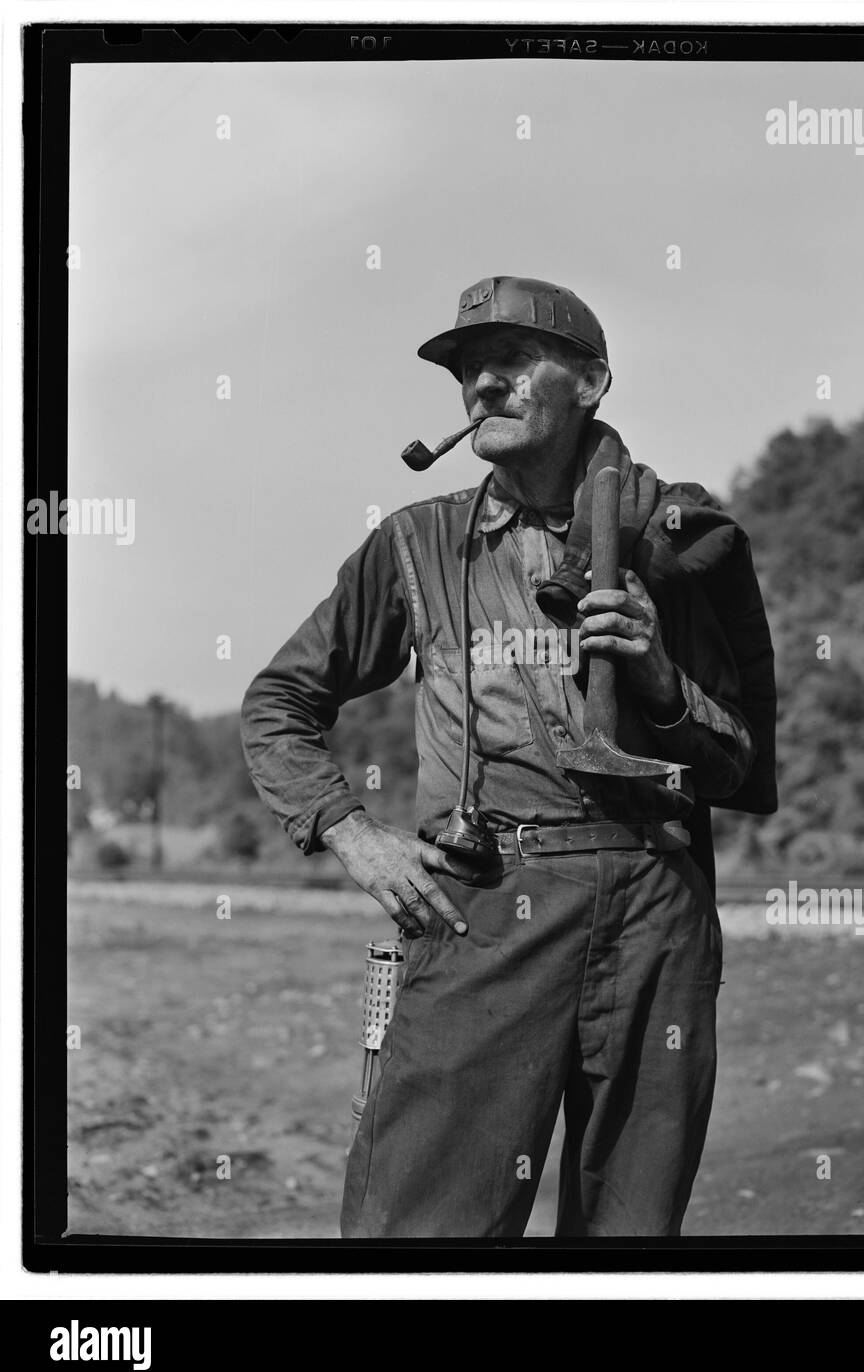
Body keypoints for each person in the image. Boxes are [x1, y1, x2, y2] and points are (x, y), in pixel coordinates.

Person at [241, 275, 777, 1237]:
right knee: (423, 1226)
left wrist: (657, 679)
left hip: (658, 904)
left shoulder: (679, 541)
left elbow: (735, 763)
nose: (482, 385)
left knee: (630, 1230)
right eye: (465, 370)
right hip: (485, 901)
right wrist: (349, 832)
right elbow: (279, 702)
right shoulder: (417, 544)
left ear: (592, 382)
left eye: (511, 361)